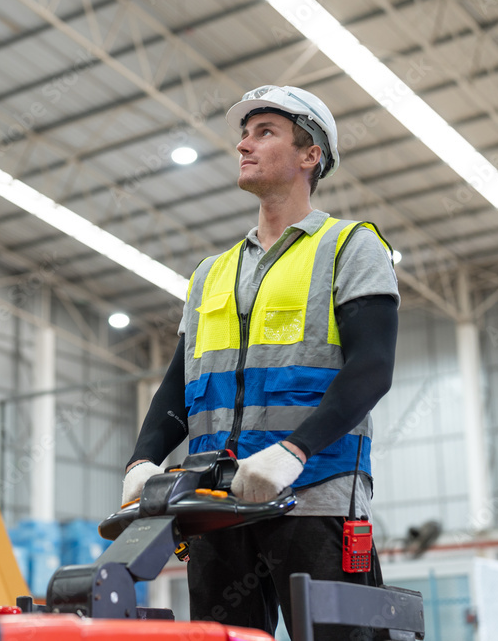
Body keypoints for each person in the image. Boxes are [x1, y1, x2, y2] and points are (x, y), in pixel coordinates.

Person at [120, 85, 399, 639]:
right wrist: (141, 462)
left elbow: (371, 368)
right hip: (214, 501)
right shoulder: (210, 273)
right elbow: (178, 385)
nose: (244, 145)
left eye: (263, 132)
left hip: (315, 496)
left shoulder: (350, 246)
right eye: (244, 134)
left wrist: (293, 453)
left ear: (309, 155)